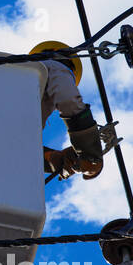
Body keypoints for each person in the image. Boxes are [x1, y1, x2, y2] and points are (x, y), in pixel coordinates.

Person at [30, 41, 104, 180]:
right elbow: (68, 100)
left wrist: (51, 158)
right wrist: (90, 153)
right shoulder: (52, 65)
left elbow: (10, 147)